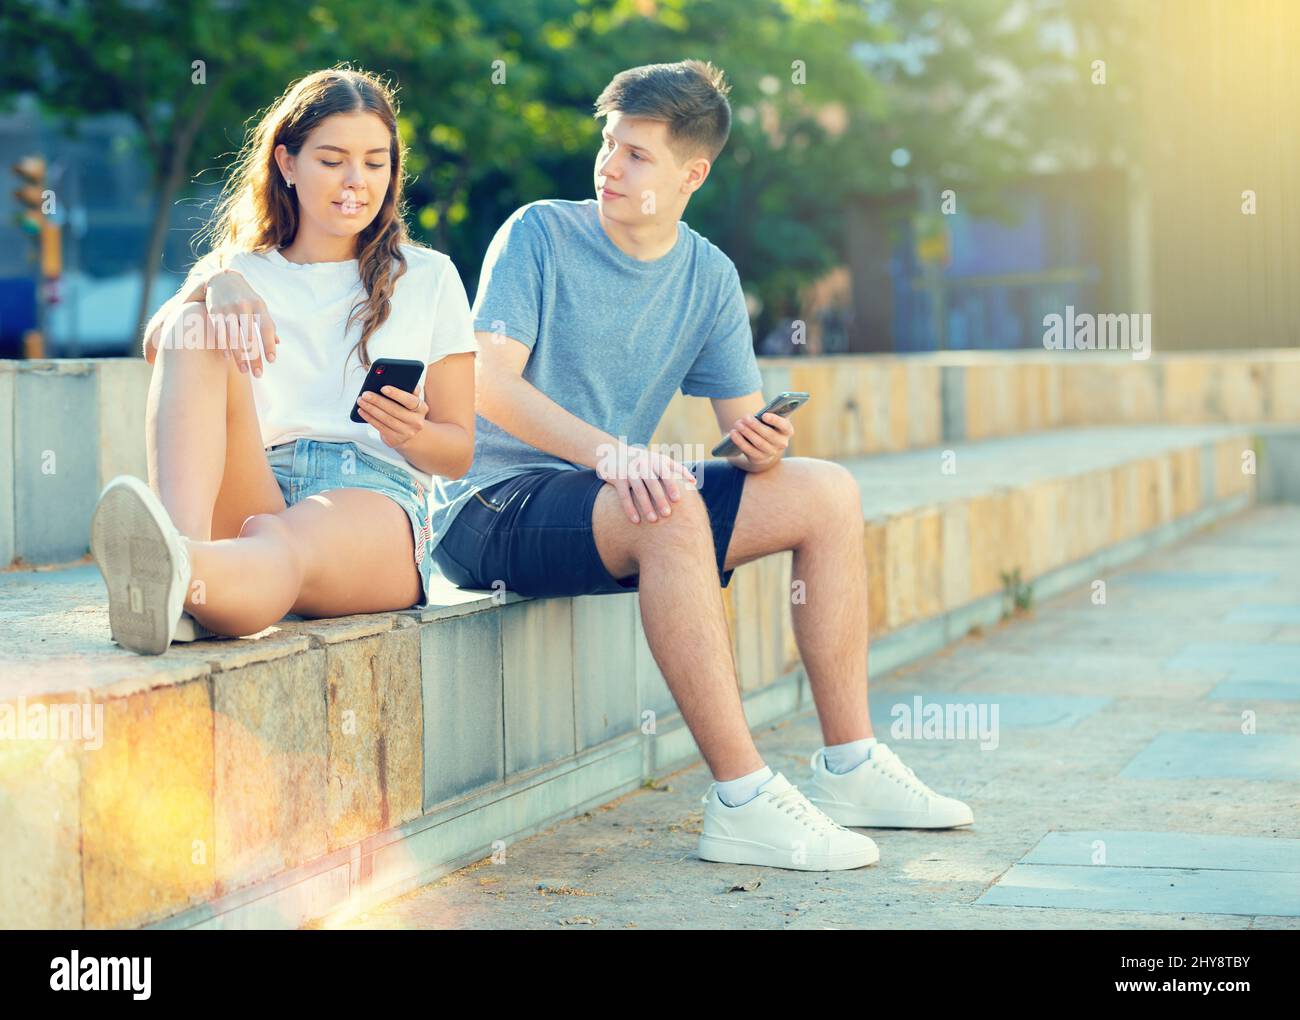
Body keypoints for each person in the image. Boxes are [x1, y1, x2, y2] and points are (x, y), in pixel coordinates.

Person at [430, 60, 974, 872]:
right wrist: (617, 456)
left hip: (603, 499)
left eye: (636, 154)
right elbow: (486, 382)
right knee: (670, 502)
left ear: (692, 173)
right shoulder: (540, 232)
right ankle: (743, 799)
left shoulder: (708, 275)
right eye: (608, 145)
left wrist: (764, 445)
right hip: (489, 506)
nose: (610, 167)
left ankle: (852, 766)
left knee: (826, 492)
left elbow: (743, 426)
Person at [91, 67, 477, 655]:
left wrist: (414, 432)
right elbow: (160, 346)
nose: (356, 181)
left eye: (375, 162)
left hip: (370, 501)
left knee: (282, 542)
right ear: (287, 163)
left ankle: (181, 573)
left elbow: (458, 451)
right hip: (257, 479)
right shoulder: (239, 270)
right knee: (194, 325)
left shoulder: (428, 276)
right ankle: (180, 554)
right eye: (332, 160)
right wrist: (211, 285)